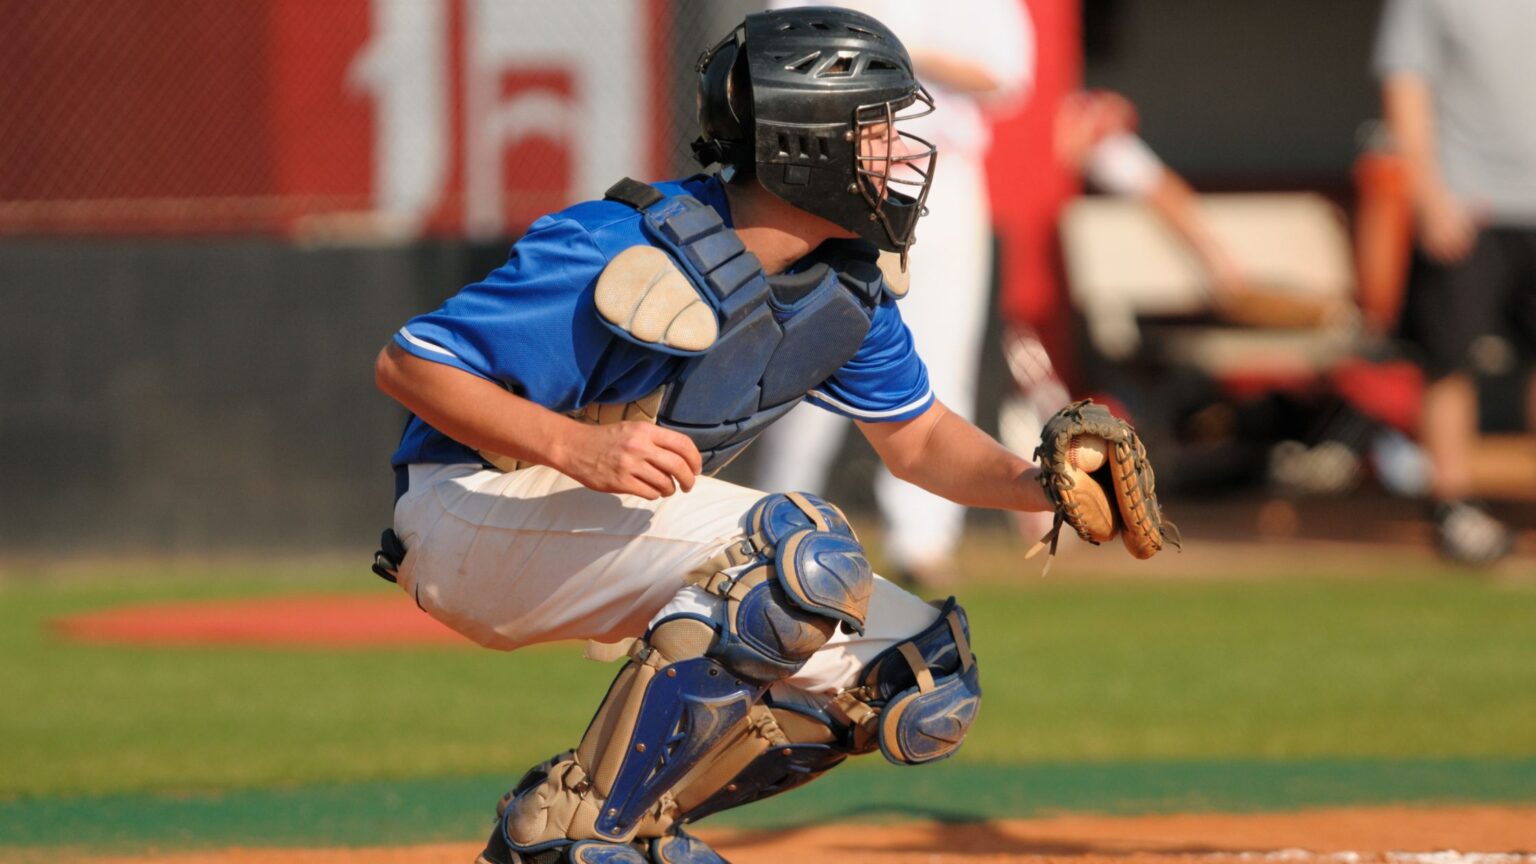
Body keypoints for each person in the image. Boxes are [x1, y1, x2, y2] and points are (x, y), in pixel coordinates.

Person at [372, 9, 1144, 864]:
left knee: (921, 674)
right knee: (795, 558)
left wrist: (1046, 487)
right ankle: (580, 829)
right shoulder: (618, 241)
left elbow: (920, 441)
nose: (901, 151)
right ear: (805, 141)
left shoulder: (841, 285)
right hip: (469, 512)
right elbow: (411, 367)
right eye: (876, 126)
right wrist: (576, 447)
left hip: (602, 523)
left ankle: (617, 822)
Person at [753, 0, 1034, 589]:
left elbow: (1006, 76)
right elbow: (771, 60)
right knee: (808, 350)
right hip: (835, 172)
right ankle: (764, 524)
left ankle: (923, 542)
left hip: (944, 172)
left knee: (941, 357)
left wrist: (894, 51)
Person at [1373, 0, 1536, 565]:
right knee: (1447, 356)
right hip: (1467, 201)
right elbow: (1407, 85)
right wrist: (1428, 195)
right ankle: (1454, 506)